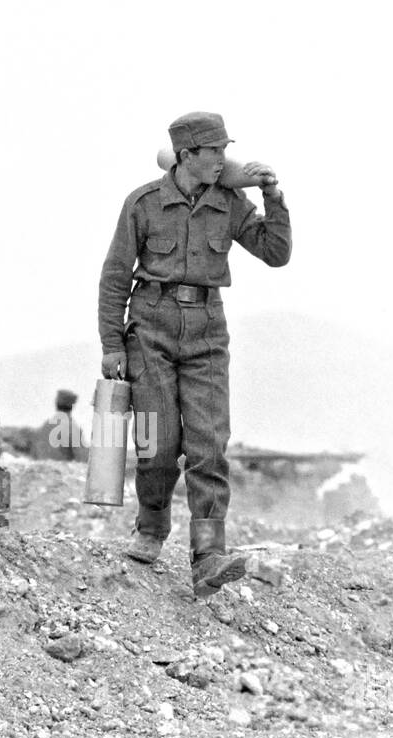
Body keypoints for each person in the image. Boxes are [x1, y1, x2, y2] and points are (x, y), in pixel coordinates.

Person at [97, 111, 291, 596]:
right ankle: (151, 527)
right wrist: (111, 346)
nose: (223, 159)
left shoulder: (230, 203)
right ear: (187, 155)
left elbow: (275, 252)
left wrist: (272, 197)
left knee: (208, 446)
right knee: (158, 445)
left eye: (225, 150)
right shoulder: (142, 203)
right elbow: (116, 276)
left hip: (207, 330)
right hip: (151, 329)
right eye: (215, 152)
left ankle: (208, 555)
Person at [33, 389, 87, 461]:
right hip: (63, 471)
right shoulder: (72, 428)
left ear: (56, 403)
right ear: (72, 406)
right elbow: (82, 458)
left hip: (42, 470)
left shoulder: (44, 427)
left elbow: (34, 453)